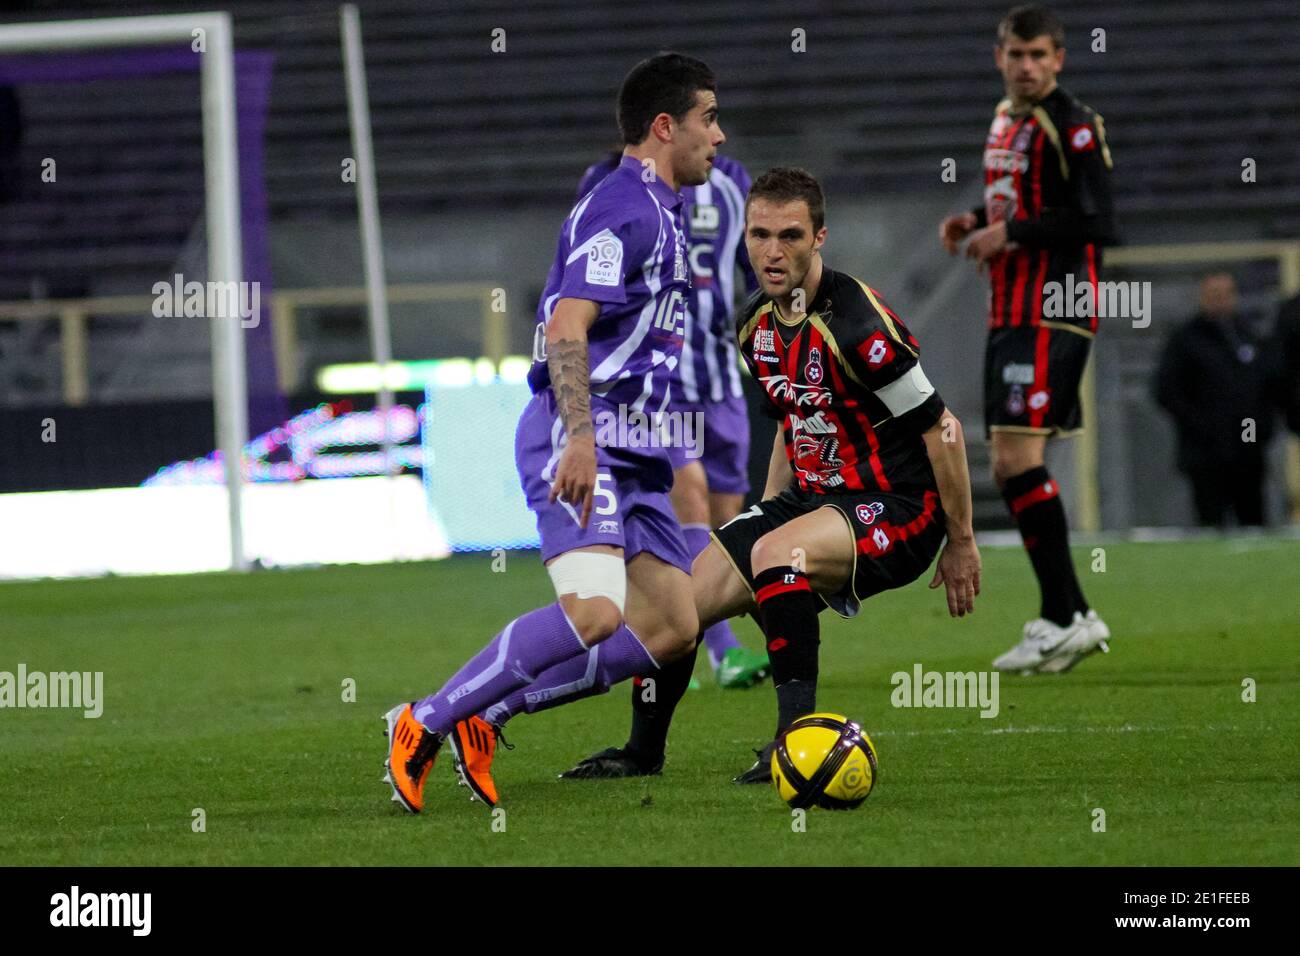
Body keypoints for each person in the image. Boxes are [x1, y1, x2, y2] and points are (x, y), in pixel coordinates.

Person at [381, 52, 723, 812]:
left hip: (633, 448)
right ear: (665, 128)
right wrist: (580, 438)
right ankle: (424, 720)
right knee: (596, 612)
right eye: (708, 118)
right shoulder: (623, 207)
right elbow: (568, 324)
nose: (719, 135)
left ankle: (491, 712)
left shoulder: (663, 211)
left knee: (672, 624)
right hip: (587, 432)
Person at [561, 167, 983, 784]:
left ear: (819, 239)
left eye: (790, 235)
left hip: (897, 505)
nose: (772, 251)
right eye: (760, 235)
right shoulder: (753, 325)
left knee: (776, 554)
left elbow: (941, 428)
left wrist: (962, 541)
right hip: (813, 499)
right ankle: (641, 752)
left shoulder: (858, 326)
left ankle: (797, 742)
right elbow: (794, 416)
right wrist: (761, 513)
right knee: (678, 604)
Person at [937, 4, 1116, 674]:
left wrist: (1007, 235)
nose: (1027, 66)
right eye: (1017, 54)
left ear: (1060, 59)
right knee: (1013, 460)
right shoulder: (1005, 117)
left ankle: (1065, 615)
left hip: (1052, 305)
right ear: (999, 56)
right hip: (1011, 306)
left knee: (1014, 461)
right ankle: (1069, 615)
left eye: (1040, 55)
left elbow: (1099, 220)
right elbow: (1025, 199)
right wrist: (978, 219)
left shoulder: (1070, 123)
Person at [576, 149, 768, 688]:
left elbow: (753, 268)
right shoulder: (609, 181)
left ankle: (669, 638)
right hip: (657, 378)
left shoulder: (732, 181)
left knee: (728, 520)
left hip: (721, 378)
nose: (716, 133)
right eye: (705, 118)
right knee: (692, 493)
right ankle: (719, 651)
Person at [1154, 273, 1276, 527]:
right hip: (1205, 452)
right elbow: (1166, 391)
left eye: (1226, 294)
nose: (1220, 300)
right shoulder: (1185, 340)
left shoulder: (1249, 335)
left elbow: (1268, 383)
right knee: (1210, 521)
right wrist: (1201, 426)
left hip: (1248, 449)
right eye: (1214, 294)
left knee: (1253, 520)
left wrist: (1262, 427)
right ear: (1202, 298)